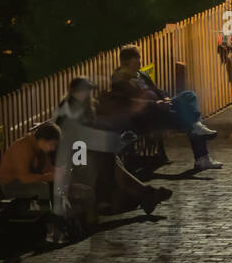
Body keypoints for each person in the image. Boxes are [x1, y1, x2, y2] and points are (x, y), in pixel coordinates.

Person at [55, 77, 172, 216]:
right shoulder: (68, 109)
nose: (87, 93)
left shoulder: (85, 106)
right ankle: (145, 194)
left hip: (84, 148)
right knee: (107, 158)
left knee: (109, 157)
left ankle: (145, 194)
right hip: (74, 154)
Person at [112, 46, 223, 171]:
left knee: (189, 98)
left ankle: (198, 138)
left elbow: (157, 90)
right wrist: (156, 104)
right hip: (146, 116)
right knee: (191, 118)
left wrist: (165, 98)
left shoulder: (141, 74)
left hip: (162, 109)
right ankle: (202, 158)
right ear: (131, 60)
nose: (140, 60)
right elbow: (128, 103)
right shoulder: (120, 79)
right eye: (139, 57)